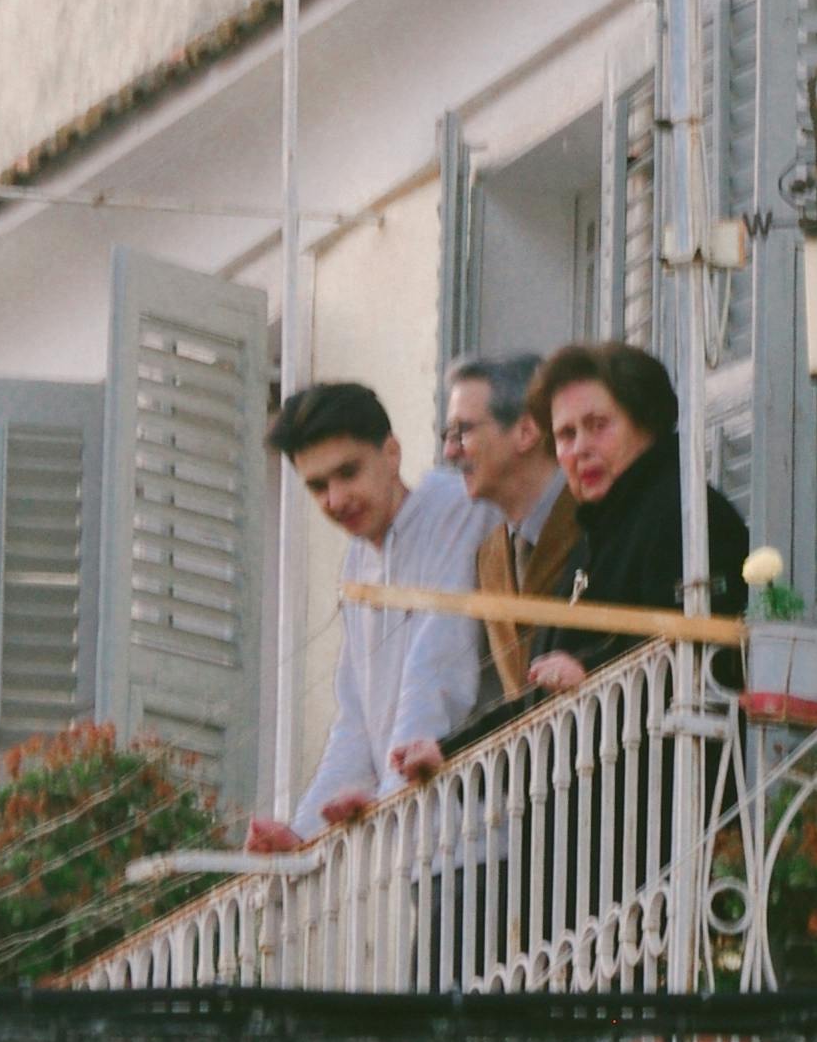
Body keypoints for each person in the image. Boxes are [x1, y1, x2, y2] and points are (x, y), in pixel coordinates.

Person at [248, 380, 491, 853]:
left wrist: (386, 805)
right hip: (423, 844)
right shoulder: (358, 563)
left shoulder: (455, 505)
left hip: (489, 823)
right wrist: (302, 835)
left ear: (392, 453)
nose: (335, 500)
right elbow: (356, 720)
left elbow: (437, 672)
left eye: (347, 473)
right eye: (317, 486)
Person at [524, 340, 751, 693]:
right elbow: (536, 691)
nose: (580, 448)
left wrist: (589, 673)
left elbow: (688, 650)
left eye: (597, 425)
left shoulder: (687, 518)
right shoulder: (594, 535)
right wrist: (446, 749)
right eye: (566, 435)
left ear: (646, 422)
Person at [438, 351, 577, 704]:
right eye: (448, 434)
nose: (450, 451)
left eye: (462, 431)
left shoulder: (594, 518)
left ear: (526, 431)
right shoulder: (490, 557)